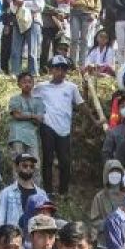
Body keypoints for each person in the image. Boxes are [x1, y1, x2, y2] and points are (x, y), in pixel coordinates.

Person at [33, 55, 86, 198]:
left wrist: (93, 120)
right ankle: (48, 191)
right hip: (47, 126)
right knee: (48, 159)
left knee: (65, 161)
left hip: (64, 129)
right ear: (51, 70)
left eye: (63, 69)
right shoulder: (41, 87)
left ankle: (63, 192)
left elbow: (81, 105)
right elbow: (29, 98)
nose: (60, 72)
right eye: (57, 68)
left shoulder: (71, 87)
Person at [0, 152, 47, 230]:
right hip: (12, 239)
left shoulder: (42, 194)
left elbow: (47, 221)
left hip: (36, 238)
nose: (28, 168)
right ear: (16, 167)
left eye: (31, 166)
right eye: (25, 166)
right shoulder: (6, 193)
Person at [7, 71, 46, 163]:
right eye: (24, 82)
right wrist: (33, 115)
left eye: (29, 82)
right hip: (17, 135)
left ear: (33, 84)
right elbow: (17, 115)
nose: (27, 84)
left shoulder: (38, 101)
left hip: (32, 136)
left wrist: (25, 115)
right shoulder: (15, 99)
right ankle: (17, 178)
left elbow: (39, 119)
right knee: (18, 163)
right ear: (19, 84)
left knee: (35, 163)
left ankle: (36, 179)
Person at [12, 0, 45, 76]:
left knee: (32, 51)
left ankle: (33, 73)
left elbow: (39, 6)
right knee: (16, 50)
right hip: (19, 22)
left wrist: (23, 3)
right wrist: (14, 3)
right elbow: (13, 9)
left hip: (34, 22)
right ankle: (15, 72)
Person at [90, 159, 125, 238]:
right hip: (106, 236)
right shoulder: (99, 197)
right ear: (106, 174)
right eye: (112, 172)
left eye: (117, 172)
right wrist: (110, 223)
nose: (115, 174)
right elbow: (94, 221)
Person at [70, 0, 101, 66]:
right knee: (74, 39)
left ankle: (82, 65)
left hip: (88, 14)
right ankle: (72, 64)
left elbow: (98, 4)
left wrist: (95, 14)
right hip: (75, 13)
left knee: (85, 40)